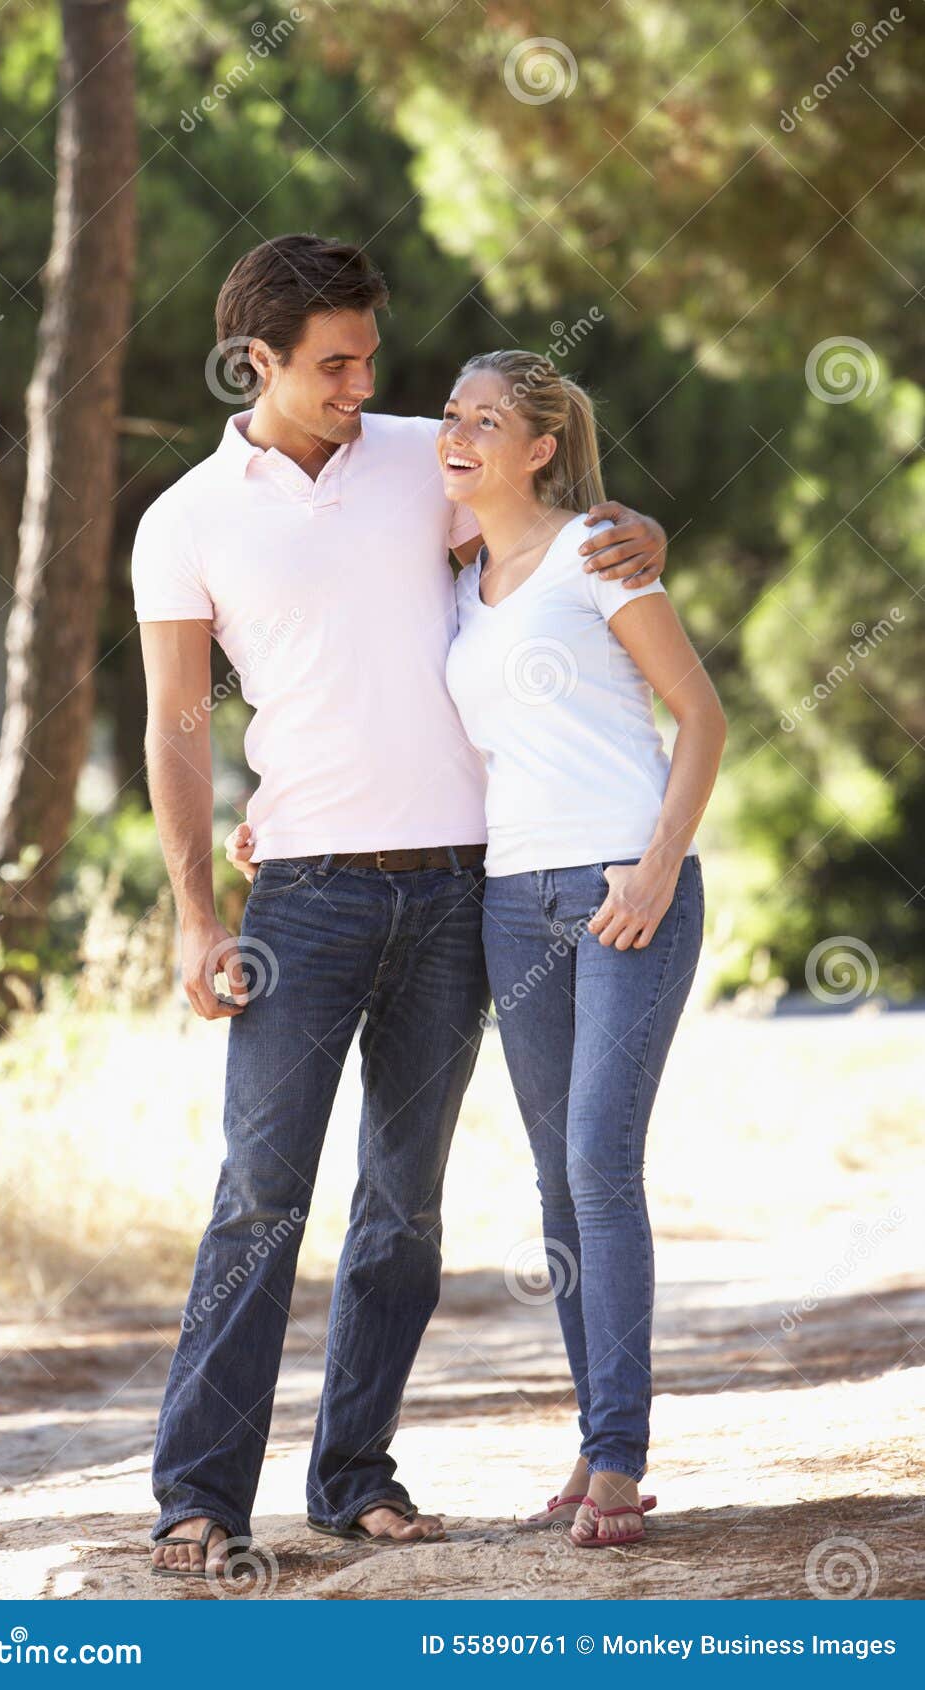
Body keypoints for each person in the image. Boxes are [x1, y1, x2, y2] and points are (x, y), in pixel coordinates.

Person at [132, 235, 669, 1579]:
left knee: (402, 1204)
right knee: (259, 1193)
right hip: (301, 896)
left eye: (369, 357)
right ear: (255, 360)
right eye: (333, 364)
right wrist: (195, 912)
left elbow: (551, 531)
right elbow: (177, 726)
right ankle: (198, 1493)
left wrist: (640, 533)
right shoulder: (185, 521)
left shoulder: (424, 457)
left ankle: (353, 1473)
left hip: (457, 887)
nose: (361, 385)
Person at [441, 350, 726, 1547]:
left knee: (600, 1163)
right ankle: (591, 1436)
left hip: (624, 887)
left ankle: (617, 1458)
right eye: (450, 415)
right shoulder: (457, 578)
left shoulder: (596, 553)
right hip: (512, 898)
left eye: (484, 421)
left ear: (540, 448)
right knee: (556, 1179)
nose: (456, 436)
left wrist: (656, 863)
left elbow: (700, 714)